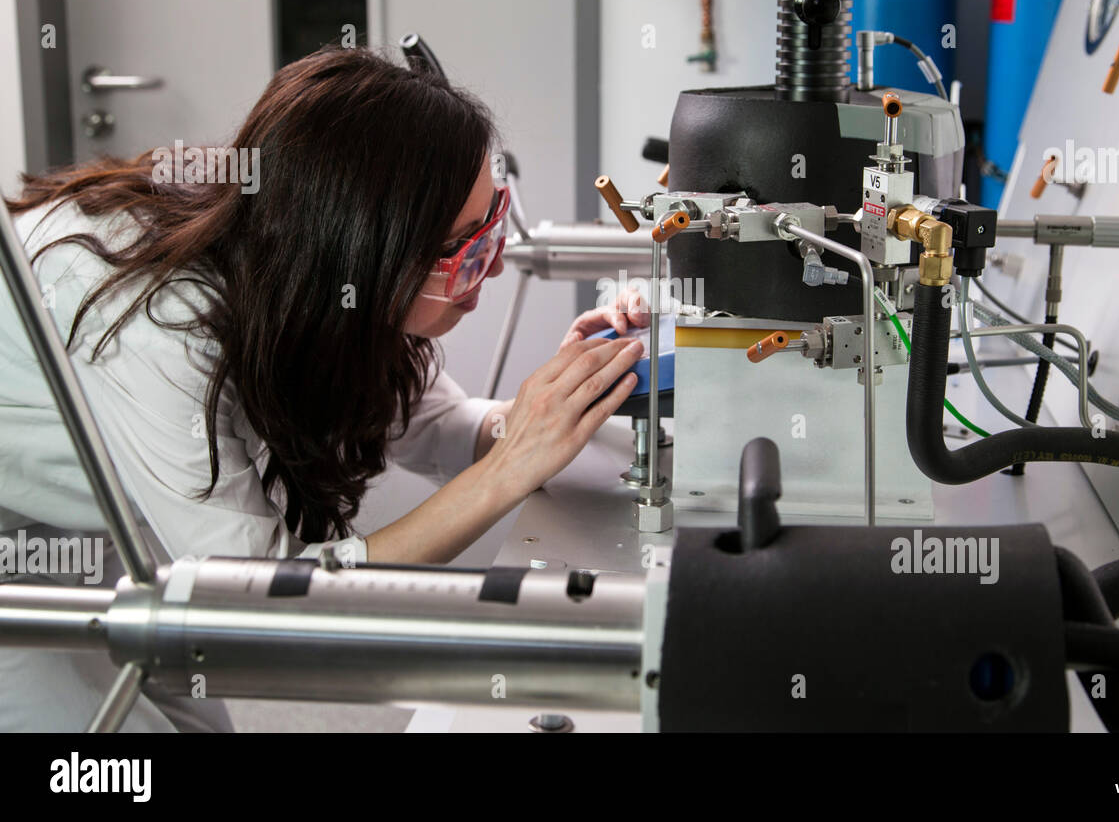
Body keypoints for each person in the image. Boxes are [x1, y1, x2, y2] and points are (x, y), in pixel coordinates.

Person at [0, 46, 649, 730]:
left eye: (493, 231)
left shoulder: (317, 287)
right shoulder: (164, 323)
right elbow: (252, 606)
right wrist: (510, 470)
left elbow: (439, 424)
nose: (489, 275)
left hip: (81, 521)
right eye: (466, 253)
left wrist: (558, 401)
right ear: (363, 250)